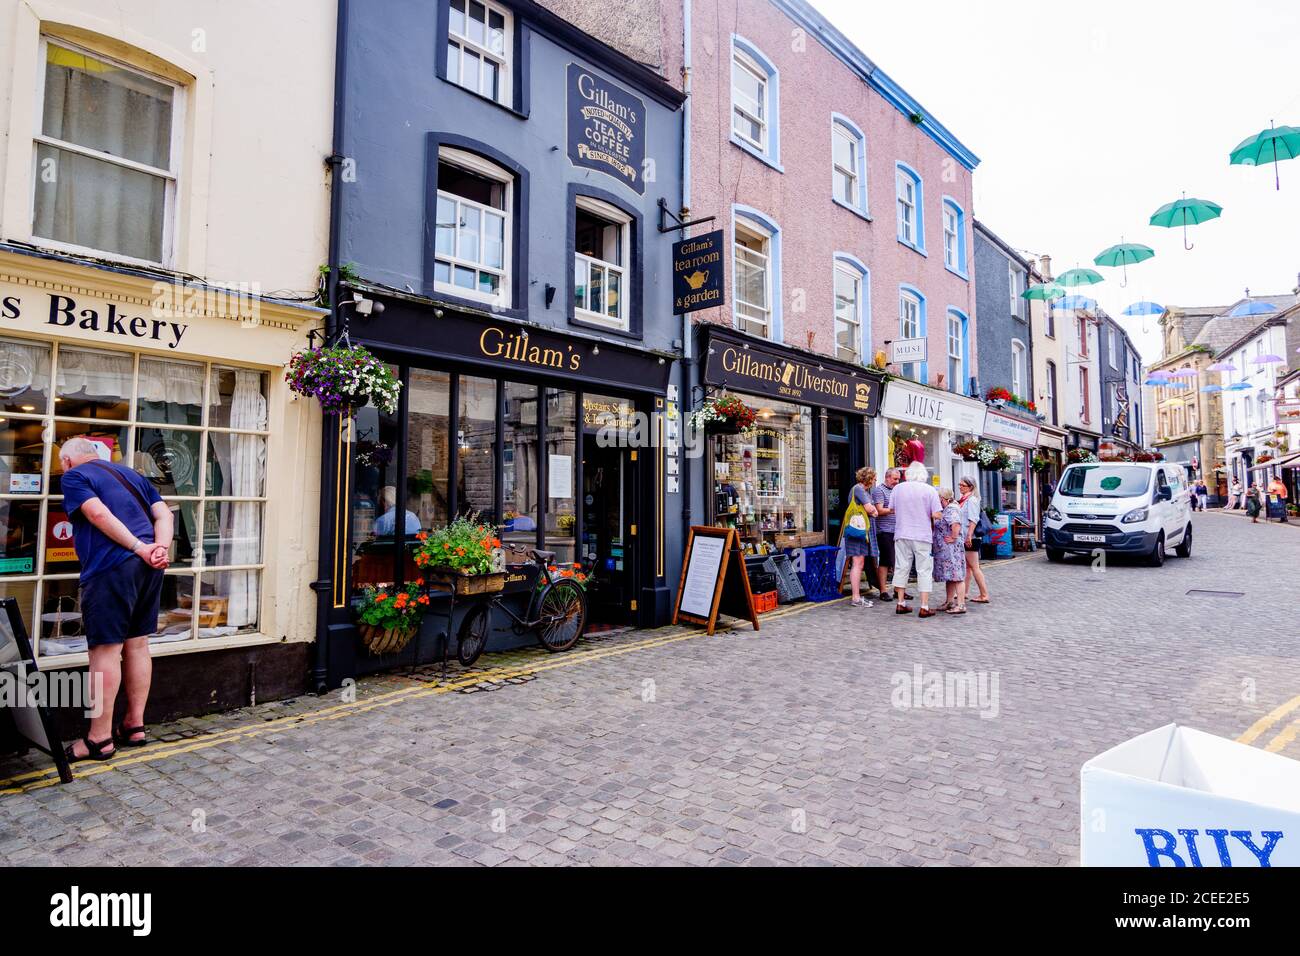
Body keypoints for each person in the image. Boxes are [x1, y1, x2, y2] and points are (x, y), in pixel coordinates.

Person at [58, 437, 172, 762]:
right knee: (137, 644)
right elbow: (165, 516)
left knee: (105, 651)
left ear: (67, 461)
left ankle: (99, 739)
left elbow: (96, 513)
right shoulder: (132, 475)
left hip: (111, 567)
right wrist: (158, 548)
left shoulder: (74, 477)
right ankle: (134, 726)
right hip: (149, 569)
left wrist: (138, 547)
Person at [890, 462, 943, 618]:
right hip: (922, 535)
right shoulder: (929, 490)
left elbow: (892, 509)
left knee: (901, 567)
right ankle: (924, 606)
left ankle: (900, 603)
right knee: (924, 569)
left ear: (908, 474)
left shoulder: (898, 488)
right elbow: (936, 514)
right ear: (923, 475)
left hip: (901, 532)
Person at [844, 467, 879, 608]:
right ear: (868, 478)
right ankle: (856, 598)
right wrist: (873, 511)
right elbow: (871, 509)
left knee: (860, 562)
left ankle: (857, 597)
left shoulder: (860, 490)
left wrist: (873, 510)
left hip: (860, 532)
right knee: (858, 562)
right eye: (874, 477)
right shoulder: (858, 489)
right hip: (857, 532)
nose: (876, 480)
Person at [870, 468, 908, 602]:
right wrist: (895, 510)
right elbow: (879, 510)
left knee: (900, 561)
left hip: (898, 530)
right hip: (884, 530)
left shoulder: (898, 491)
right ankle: (883, 591)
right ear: (887, 477)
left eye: (898, 479)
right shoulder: (879, 491)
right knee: (886, 561)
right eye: (894, 479)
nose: (897, 482)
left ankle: (899, 590)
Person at [932, 487, 967, 614]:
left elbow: (955, 525)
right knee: (950, 576)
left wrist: (953, 537)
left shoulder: (951, 509)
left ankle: (961, 604)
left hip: (952, 550)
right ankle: (949, 601)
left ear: (942, 498)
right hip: (947, 550)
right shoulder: (947, 508)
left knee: (957, 576)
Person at [958, 476, 990, 605]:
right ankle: (964, 593)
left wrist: (969, 536)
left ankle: (984, 594)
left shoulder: (971, 500)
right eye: (959, 484)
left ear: (970, 487)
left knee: (975, 567)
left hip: (970, 538)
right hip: (966, 537)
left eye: (963, 485)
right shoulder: (964, 500)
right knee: (967, 567)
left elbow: (973, 519)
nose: (960, 487)